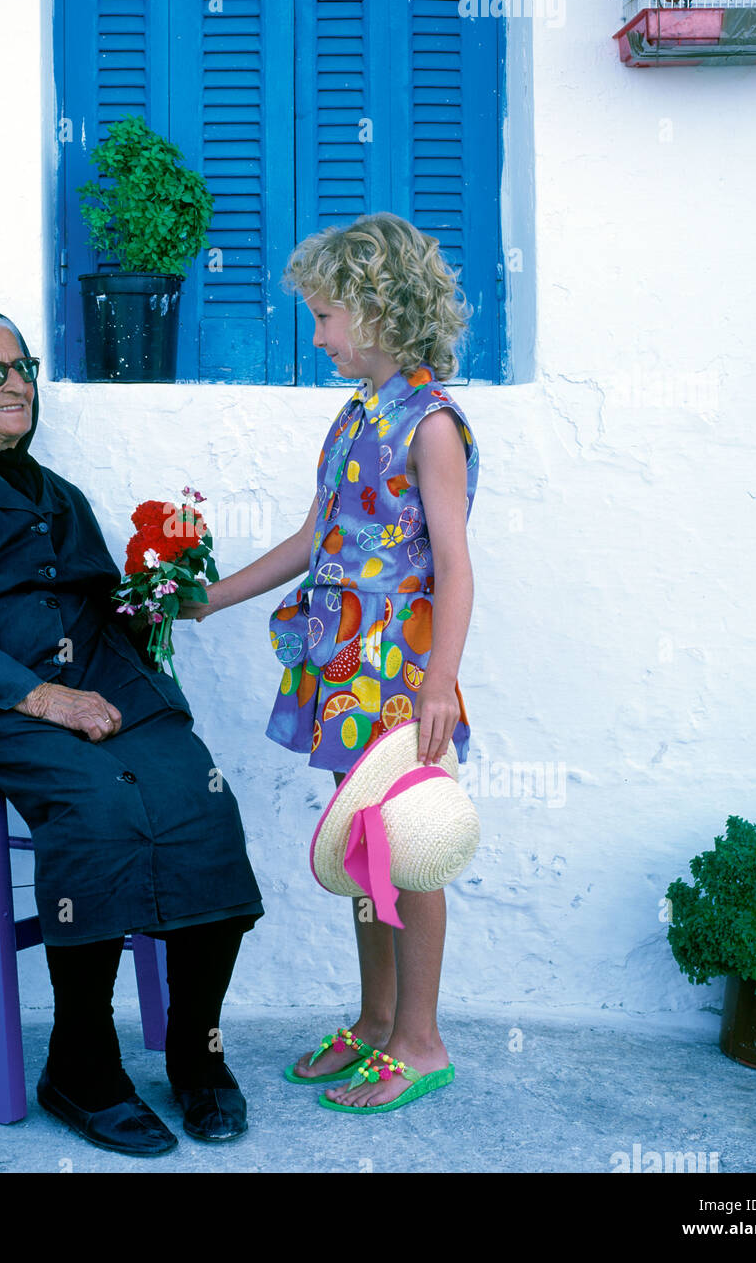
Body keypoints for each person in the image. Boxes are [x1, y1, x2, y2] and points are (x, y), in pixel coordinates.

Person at [0, 310, 263, 1155]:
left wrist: (159, 587)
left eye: (23, 367)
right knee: (99, 805)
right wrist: (45, 697)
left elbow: (100, 608)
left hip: (94, 689)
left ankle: (198, 1049)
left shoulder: (56, 493)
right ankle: (79, 1062)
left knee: (199, 794)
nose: (16, 385)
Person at [182, 214, 478, 1112]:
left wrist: (434, 686)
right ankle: (376, 1018)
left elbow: (457, 567)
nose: (315, 337)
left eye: (324, 318)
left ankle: (421, 1042)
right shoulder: (357, 416)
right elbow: (319, 539)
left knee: (409, 849)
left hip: (398, 672)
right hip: (345, 663)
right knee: (363, 846)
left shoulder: (431, 426)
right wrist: (209, 597)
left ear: (380, 311)